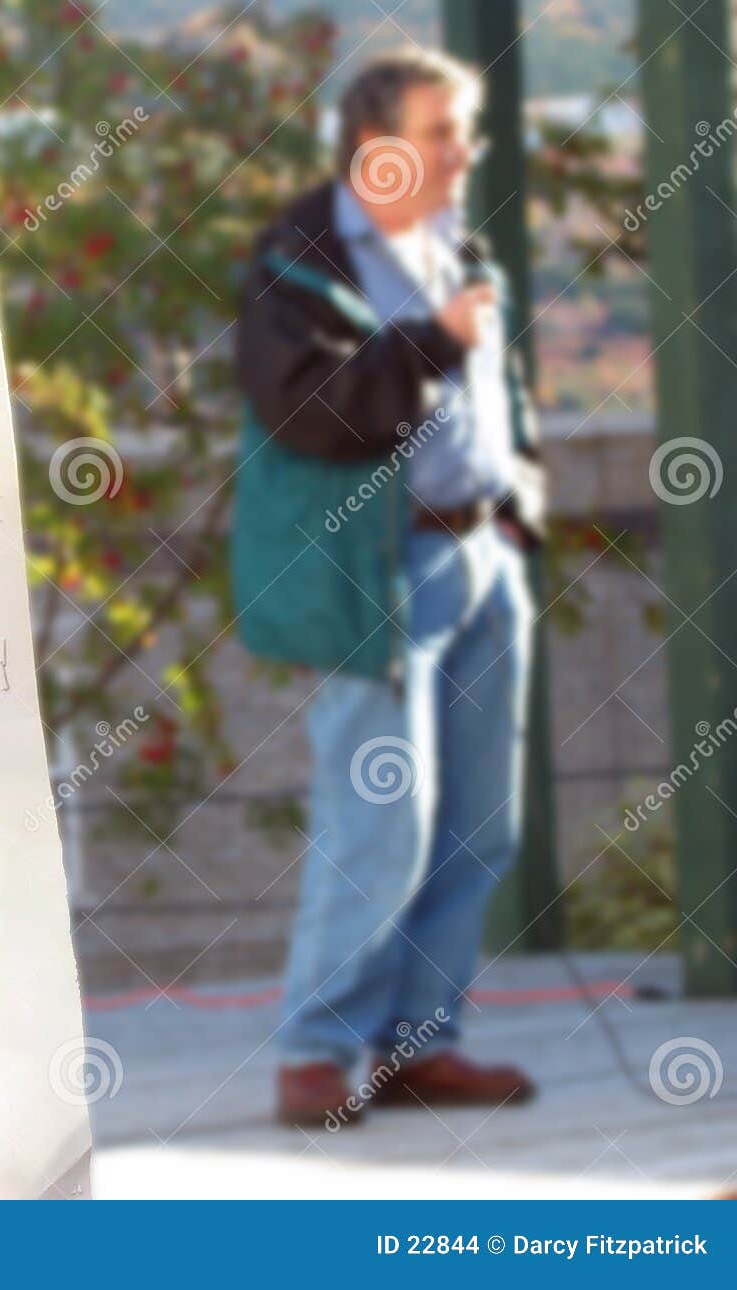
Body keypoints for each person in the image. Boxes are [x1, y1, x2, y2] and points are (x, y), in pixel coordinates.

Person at [230, 49, 547, 1127]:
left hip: (483, 558)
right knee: (381, 820)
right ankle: (315, 1053)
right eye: (445, 130)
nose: (468, 151)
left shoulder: (454, 241)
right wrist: (431, 341)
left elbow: (496, 385)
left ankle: (419, 1047)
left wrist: (517, 502)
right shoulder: (298, 259)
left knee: (477, 824)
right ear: (379, 151)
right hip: (381, 567)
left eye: (466, 131)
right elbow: (309, 408)